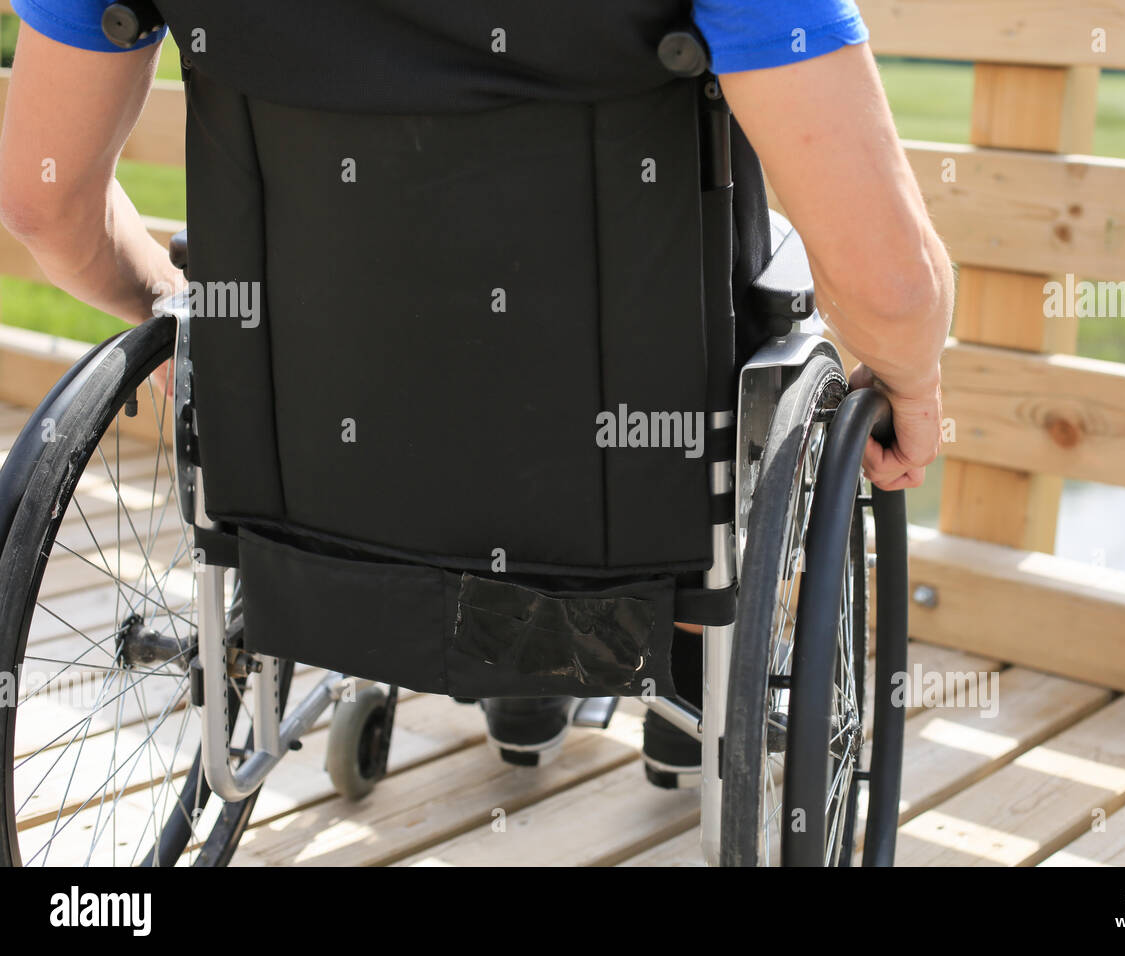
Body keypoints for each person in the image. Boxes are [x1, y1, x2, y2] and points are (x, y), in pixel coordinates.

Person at [0, 1, 952, 786]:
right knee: (739, 289)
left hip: (311, 486)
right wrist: (908, 380)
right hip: (614, 478)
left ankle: (521, 667)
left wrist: (176, 311)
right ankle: (664, 656)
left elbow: (45, 204)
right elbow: (888, 284)